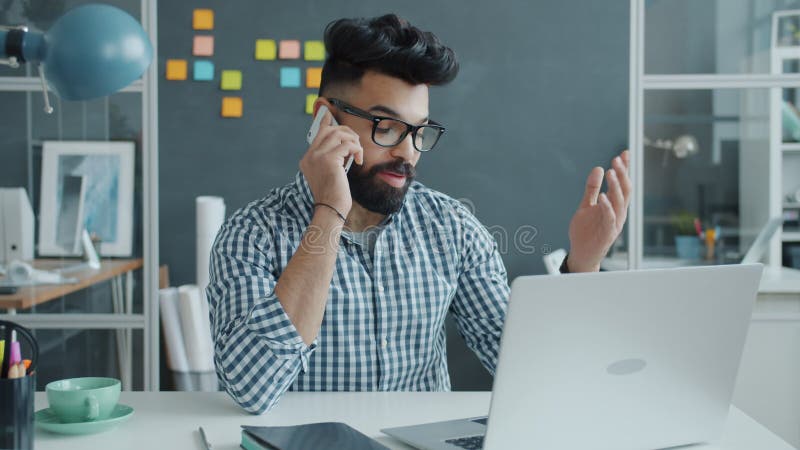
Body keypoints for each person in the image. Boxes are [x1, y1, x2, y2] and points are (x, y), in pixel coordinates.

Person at [206, 14, 631, 414]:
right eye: (385, 127)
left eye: (418, 131)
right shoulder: (251, 235)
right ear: (325, 119)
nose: (407, 152)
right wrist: (330, 211)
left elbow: (534, 370)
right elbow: (252, 390)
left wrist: (584, 264)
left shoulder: (452, 228)